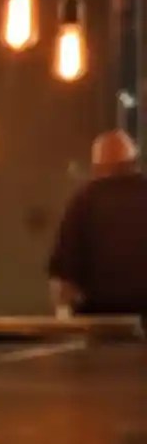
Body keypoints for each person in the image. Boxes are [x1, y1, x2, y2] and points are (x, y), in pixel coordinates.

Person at [48, 130, 147, 317]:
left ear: (98, 167)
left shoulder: (83, 202)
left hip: (100, 323)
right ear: (134, 162)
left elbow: (63, 275)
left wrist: (63, 317)